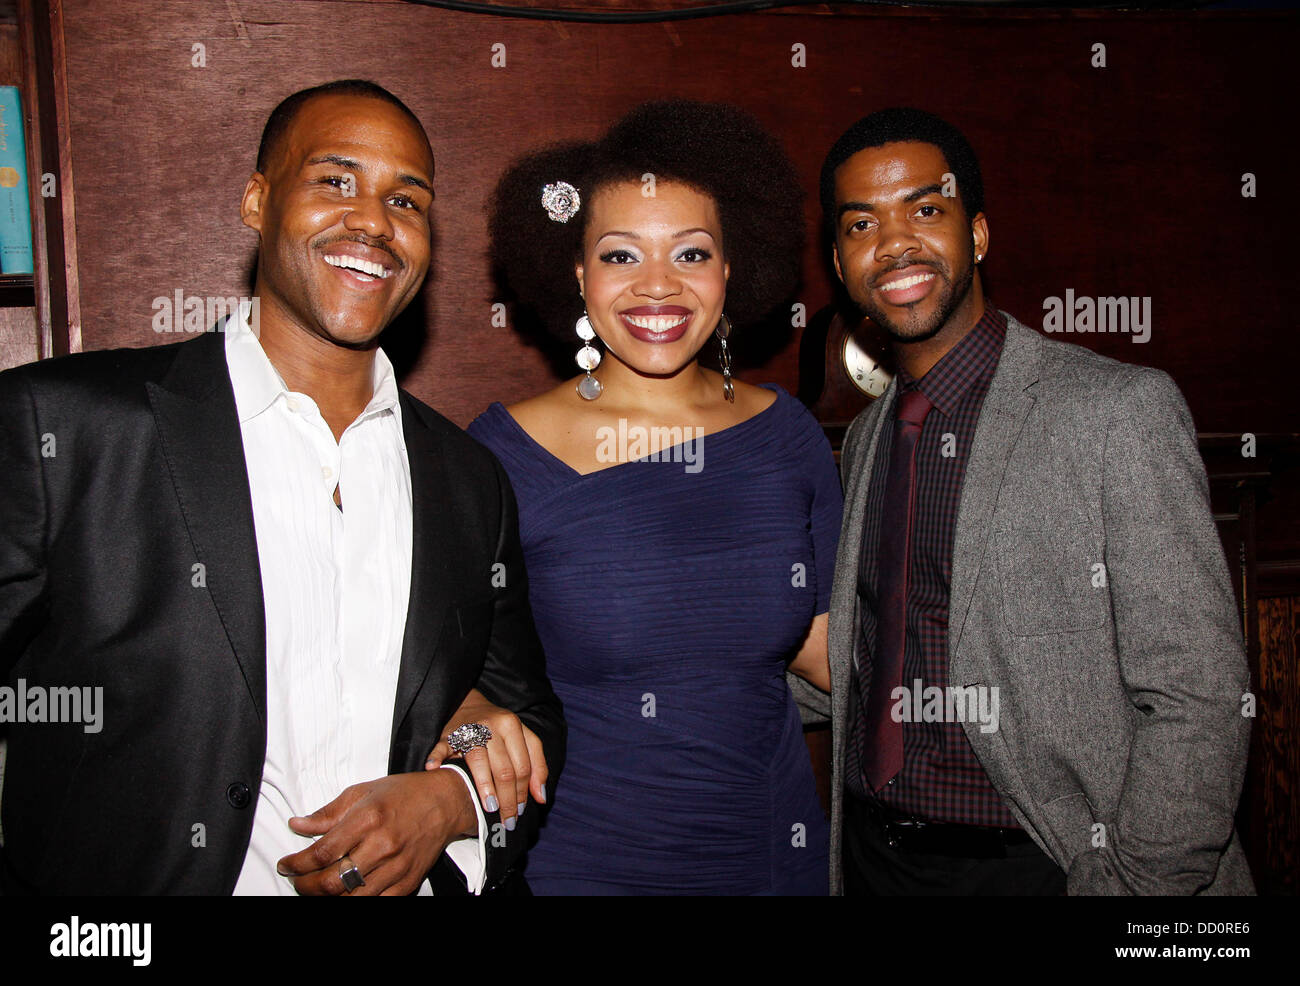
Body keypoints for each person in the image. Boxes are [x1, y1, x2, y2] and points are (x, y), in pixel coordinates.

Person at [0, 79, 563, 895]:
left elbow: (528, 719)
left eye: (406, 200)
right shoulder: (66, 428)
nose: (373, 220)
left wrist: (450, 802)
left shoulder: (470, 480)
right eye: (335, 180)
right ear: (258, 201)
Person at [805, 107, 1253, 894]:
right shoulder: (868, 436)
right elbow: (883, 642)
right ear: (840, 265)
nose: (895, 241)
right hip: (877, 859)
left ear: (977, 235)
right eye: (861, 223)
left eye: (926, 209)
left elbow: (1200, 691)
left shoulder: (1117, 411)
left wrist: (1133, 886)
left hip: (1048, 864)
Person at [468, 101, 839, 894]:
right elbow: (433, 663)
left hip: (776, 861)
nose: (658, 286)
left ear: (730, 269)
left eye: (691, 253)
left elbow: (832, 651)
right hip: (585, 867)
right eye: (621, 255)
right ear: (577, 273)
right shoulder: (502, 455)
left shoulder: (789, 436)